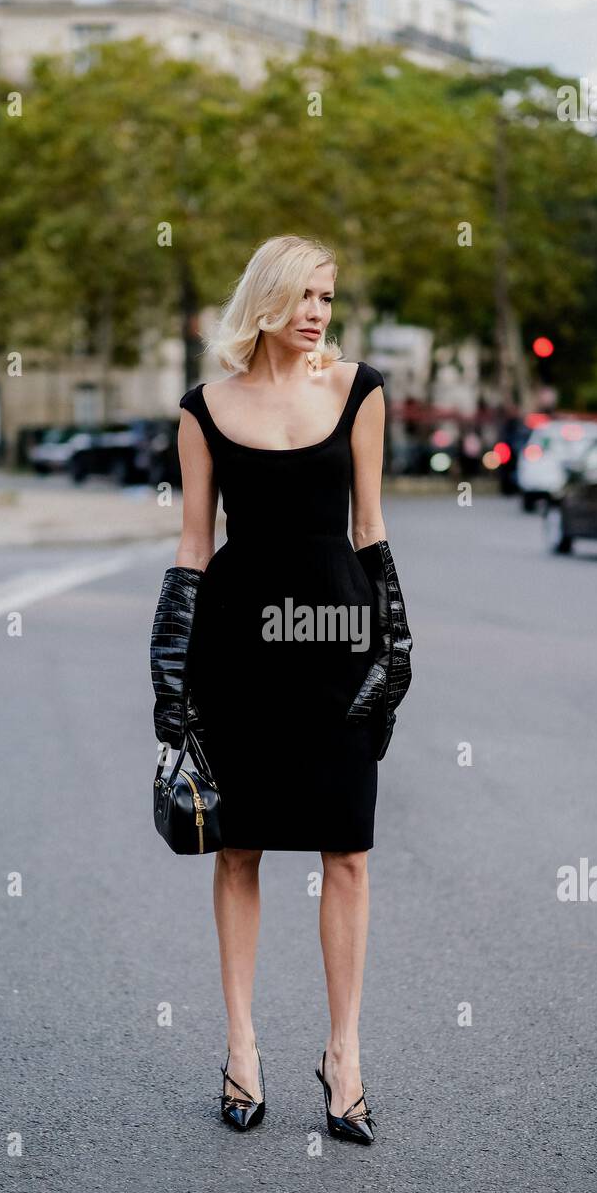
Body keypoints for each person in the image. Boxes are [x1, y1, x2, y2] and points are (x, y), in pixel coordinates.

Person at [150, 234, 412, 1144]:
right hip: (236, 652)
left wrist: (397, 647)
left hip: (337, 644)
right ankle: (242, 1047)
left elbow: (370, 530)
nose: (316, 314)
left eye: (328, 299)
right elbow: (192, 547)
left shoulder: (360, 392)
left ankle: (344, 1057)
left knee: (347, 852)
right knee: (239, 849)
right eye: (302, 296)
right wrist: (169, 671)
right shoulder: (204, 410)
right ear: (265, 300)